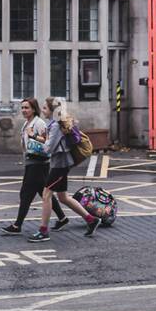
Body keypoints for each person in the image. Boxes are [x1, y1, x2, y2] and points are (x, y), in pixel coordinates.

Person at [28, 97, 100, 240]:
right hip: (61, 163)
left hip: (60, 165)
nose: (42, 110)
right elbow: (50, 143)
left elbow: (49, 148)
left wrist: (35, 139)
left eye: (44, 108)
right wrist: (39, 137)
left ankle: (43, 231)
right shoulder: (55, 124)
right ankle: (91, 220)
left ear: (52, 110)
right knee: (63, 197)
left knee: (46, 194)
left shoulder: (56, 125)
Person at [1, 98, 59, 236]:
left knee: (26, 194)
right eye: (22, 108)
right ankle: (62, 218)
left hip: (38, 163)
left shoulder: (39, 123)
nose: (24, 110)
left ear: (34, 109)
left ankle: (17, 225)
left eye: (26, 107)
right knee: (44, 193)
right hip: (31, 162)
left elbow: (47, 141)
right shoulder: (27, 123)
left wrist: (33, 136)